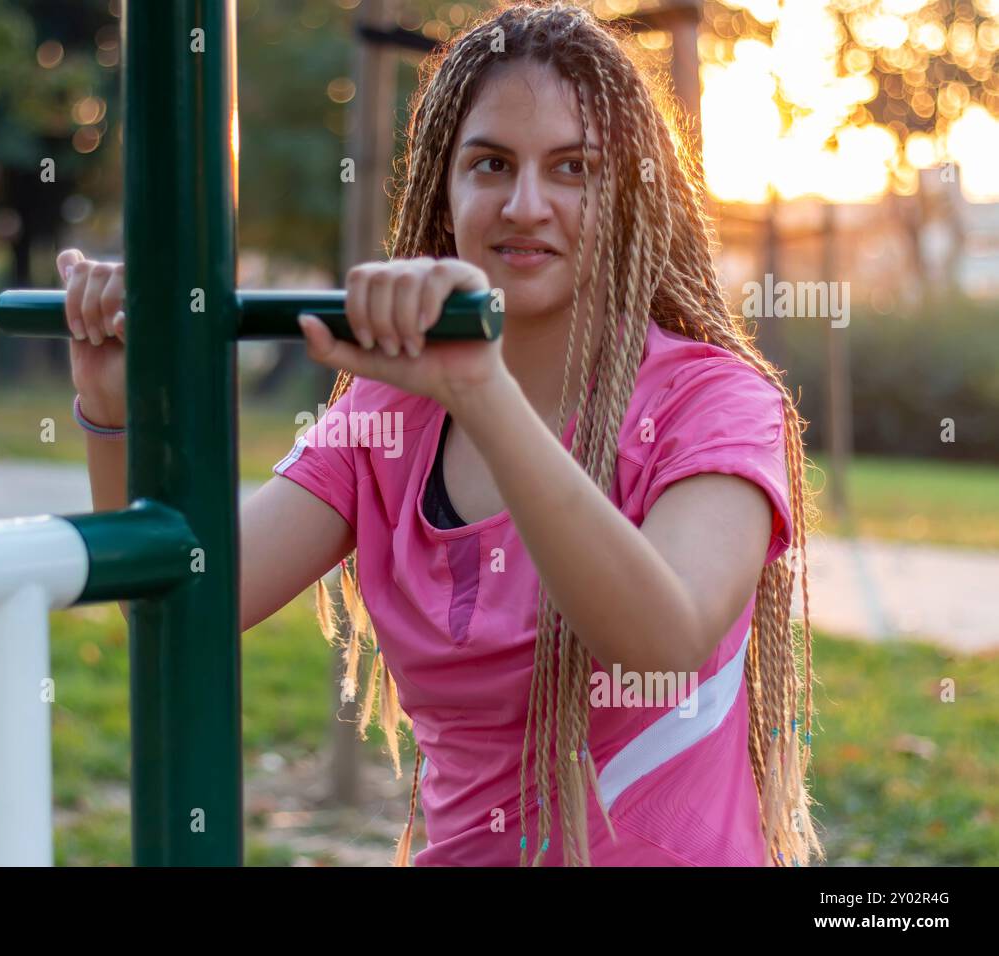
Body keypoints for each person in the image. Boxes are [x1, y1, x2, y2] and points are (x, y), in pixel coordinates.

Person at [60, 1, 822, 867]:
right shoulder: (389, 417)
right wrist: (117, 411)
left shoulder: (712, 401)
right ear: (443, 189)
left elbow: (667, 637)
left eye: (574, 167)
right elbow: (190, 599)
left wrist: (483, 394)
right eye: (491, 164)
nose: (527, 204)